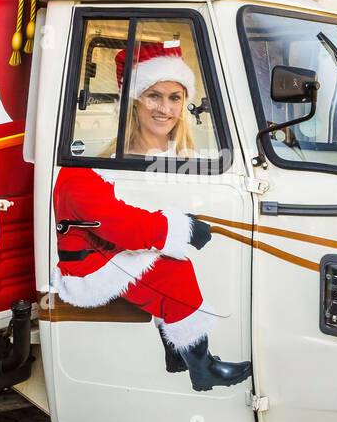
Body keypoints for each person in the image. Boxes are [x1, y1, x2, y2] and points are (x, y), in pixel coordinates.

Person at [54, 41, 252, 392]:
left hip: (125, 247)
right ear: (135, 101)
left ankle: (179, 352)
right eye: (153, 96)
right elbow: (122, 225)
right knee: (172, 273)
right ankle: (200, 366)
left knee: (175, 269)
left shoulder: (192, 154)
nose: (165, 108)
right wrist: (180, 227)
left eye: (175, 98)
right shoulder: (108, 163)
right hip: (96, 261)